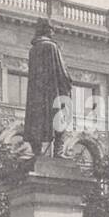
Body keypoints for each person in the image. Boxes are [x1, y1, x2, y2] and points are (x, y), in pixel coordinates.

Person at [23, 19, 73, 157]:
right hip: (52, 91)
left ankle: (37, 153)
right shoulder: (51, 47)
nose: (53, 32)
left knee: (35, 122)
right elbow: (61, 71)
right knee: (60, 119)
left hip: (36, 95)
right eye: (51, 29)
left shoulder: (33, 49)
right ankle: (58, 152)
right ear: (47, 30)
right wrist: (68, 83)